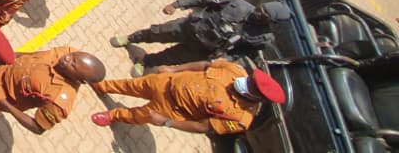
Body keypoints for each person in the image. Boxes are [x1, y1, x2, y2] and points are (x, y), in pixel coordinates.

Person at [91, 61, 286, 135]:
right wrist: (173, 68)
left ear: (256, 97)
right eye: (250, 79)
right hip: (167, 81)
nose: (244, 81)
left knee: (138, 115)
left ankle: (113, 115)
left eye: (250, 86)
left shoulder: (240, 118)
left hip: (171, 110)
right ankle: (103, 86)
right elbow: (203, 65)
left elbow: (202, 127)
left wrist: (167, 122)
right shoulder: (235, 70)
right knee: (131, 85)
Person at [110, 0, 292, 76]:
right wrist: (177, 4)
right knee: (156, 32)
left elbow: (243, 51)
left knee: (169, 57)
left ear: (271, 22)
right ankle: (130, 39)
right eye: (260, 9)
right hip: (189, 27)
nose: (257, 13)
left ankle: (145, 62)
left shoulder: (263, 38)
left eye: (263, 15)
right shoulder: (239, 4)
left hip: (204, 48)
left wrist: (225, 58)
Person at [0, 47, 106, 134]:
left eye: (73, 64)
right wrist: (14, 55)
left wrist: (6, 106)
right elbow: (37, 54)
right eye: (73, 56)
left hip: (2, 94)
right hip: (3, 68)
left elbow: (38, 127)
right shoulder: (67, 52)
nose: (67, 57)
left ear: (79, 80)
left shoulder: (59, 101)